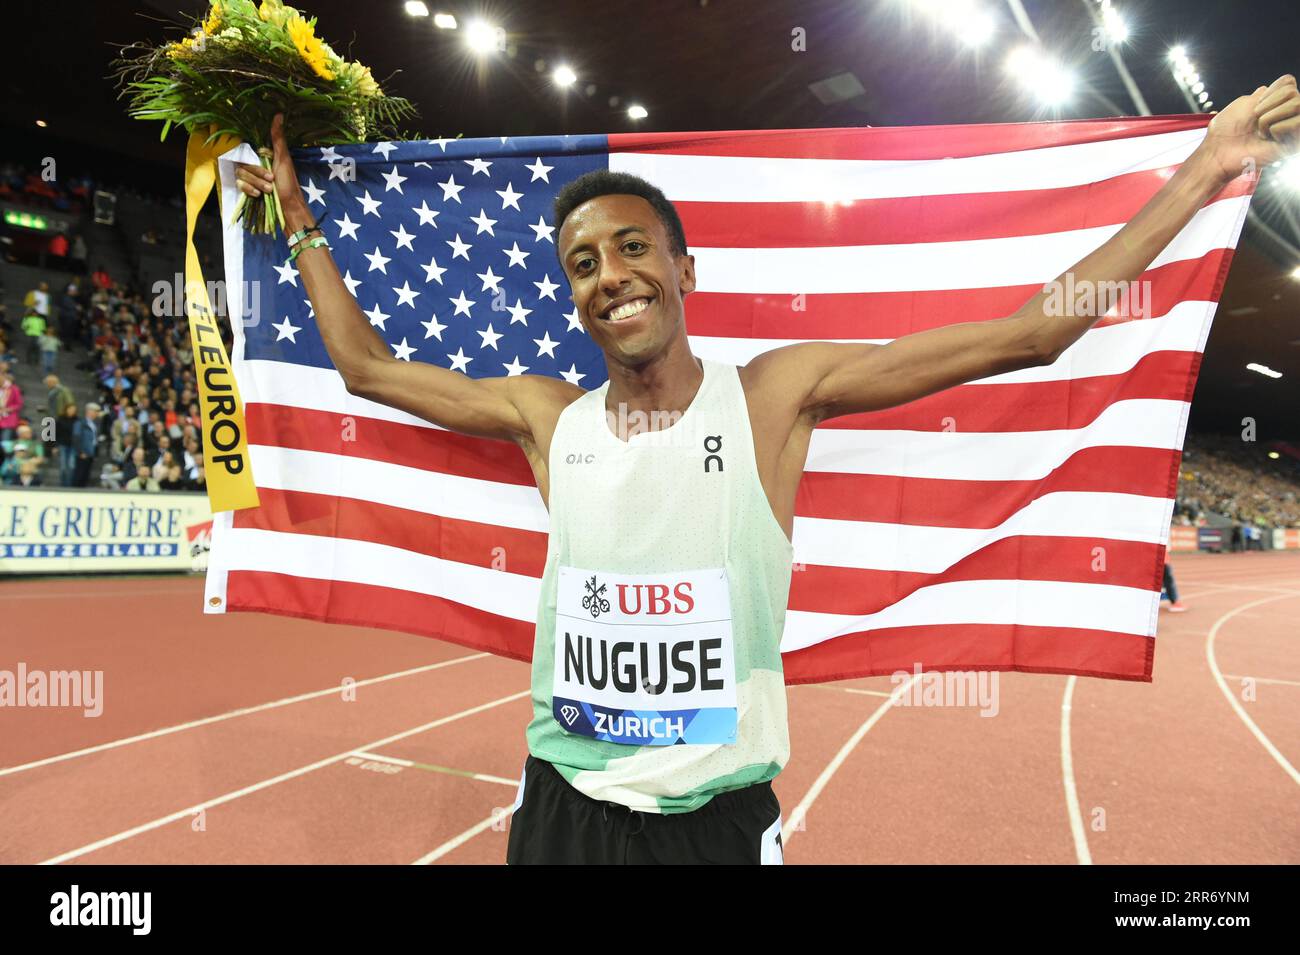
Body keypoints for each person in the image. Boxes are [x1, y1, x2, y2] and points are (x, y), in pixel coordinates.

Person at [239, 79, 1300, 865]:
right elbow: (367, 370)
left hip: (713, 826)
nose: (611, 276)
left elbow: (1030, 336)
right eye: (583, 264)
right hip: (563, 810)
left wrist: (1204, 170)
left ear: (684, 268)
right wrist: (300, 224)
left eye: (633, 248)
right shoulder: (544, 416)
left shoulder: (768, 399)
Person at [71, 401, 101, 487]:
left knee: (86, 475)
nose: (97, 413)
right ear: (89, 411)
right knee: (79, 474)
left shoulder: (94, 424)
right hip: (83, 453)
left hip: (90, 453)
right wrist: (80, 452)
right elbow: (76, 438)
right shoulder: (80, 423)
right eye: (95, 411)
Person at [0, 372, 22, 443]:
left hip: (8, 420)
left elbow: (18, 404)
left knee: (5, 443)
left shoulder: (13, 389)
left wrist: (8, 409)